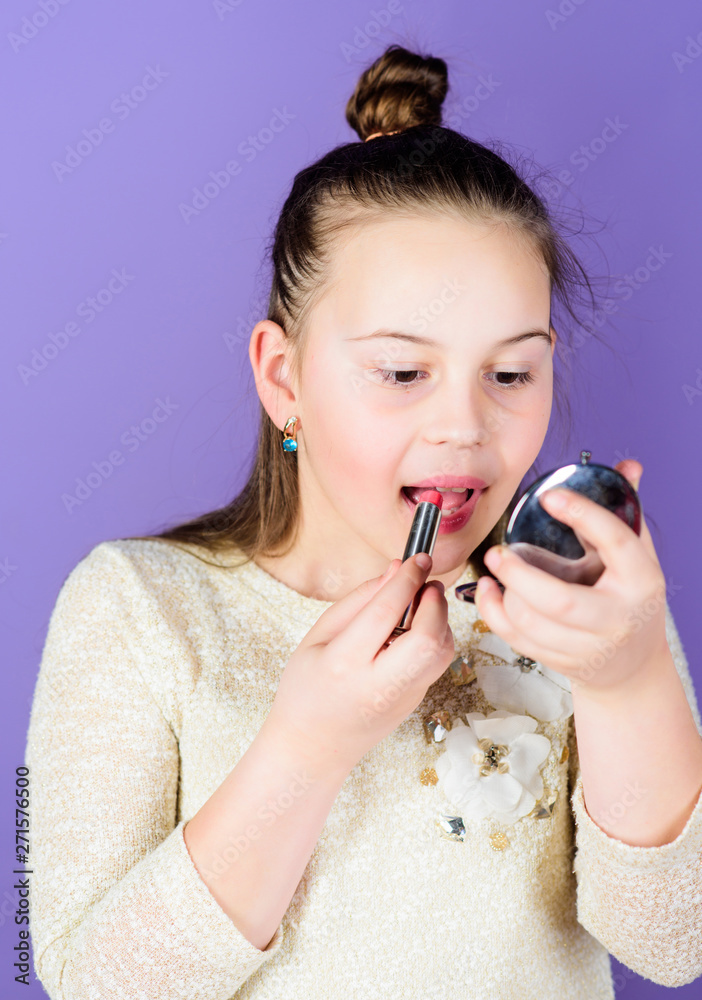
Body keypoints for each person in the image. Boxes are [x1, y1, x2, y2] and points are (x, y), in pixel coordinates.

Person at [25, 43, 702, 1000]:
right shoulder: (139, 610)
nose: (465, 426)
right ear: (284, 378)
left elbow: (676, 947)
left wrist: (629, 682)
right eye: (402, 371)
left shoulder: (587, 604)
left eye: (512, 372)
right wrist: (307, 749)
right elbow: (91, 985)